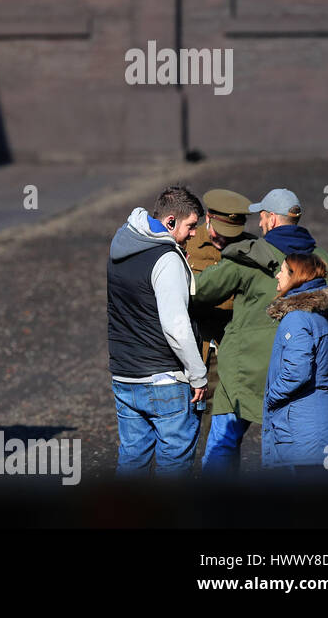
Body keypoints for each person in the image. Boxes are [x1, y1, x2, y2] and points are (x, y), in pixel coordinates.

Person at [193, 188, 328, 472]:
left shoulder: (247, 257)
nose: (260, 224)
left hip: (247, 370)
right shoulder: (322, 258)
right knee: (295, 444)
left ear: (272, 220)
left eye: (262, 217)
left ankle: (217, 503)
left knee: (224, 439)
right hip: (303, 369)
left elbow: (199, 292)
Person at [106, 186, 207, 475]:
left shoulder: (121, 245)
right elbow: (176, 327)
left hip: (124, 376)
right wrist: (198, 374)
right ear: (171, 221)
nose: (193, 234)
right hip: (164, 380)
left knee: (131, 461)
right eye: (190, 226)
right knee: (174, 466)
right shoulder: (167, 260)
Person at [185, 189, 254, 451]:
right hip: (193, 354)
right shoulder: (186, 244)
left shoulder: (250, 249)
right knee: (185, 435)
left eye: (232, 233)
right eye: (220, 231)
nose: (224, 239)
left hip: (231, 356)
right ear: (209, 219)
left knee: (223, 440)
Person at [263, 253, 328, 471]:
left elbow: (298, 370)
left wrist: (272, 396)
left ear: (296, 277)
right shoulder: (317, 314)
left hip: (301, 431)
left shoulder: (296, 318)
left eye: (283, 270)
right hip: (320, 426)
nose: (277, 275)